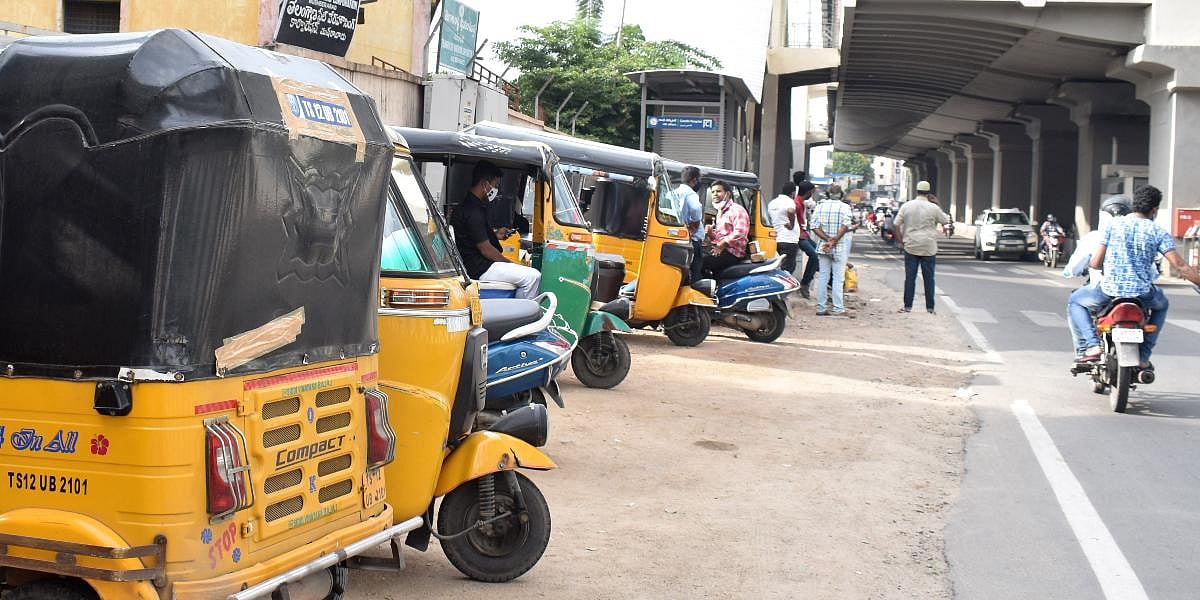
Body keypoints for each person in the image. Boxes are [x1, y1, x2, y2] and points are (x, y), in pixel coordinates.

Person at [1067, 185, 1200, 368]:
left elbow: (1096, 262)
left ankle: (1091, 346)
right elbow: (1181, 266)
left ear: (1134, 205)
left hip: (1110, 290)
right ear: (1154, 210)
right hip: (1143, 293)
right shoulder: (1158, 231)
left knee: (1075, 301)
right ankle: (1144, 357)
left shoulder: (1112, 226)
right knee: (1162, 305)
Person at [449, 160, 541, 299]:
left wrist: (495, 235)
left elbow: (473, 236)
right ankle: (521, 311)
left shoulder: (467, 207)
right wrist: (509, 263)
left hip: (475, 264)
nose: (496, 190)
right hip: (480, 268)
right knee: (533, 277)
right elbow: (486, 249)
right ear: (485, 184)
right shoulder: (473, 211)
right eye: (496, 185)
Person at [1061, 195, 1132, 357]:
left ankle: (1086, 349)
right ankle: (1144, 354)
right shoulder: (1139, 235)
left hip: (1106, 289)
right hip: (1138, 294)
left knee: (1075, 302)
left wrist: (1070, 271)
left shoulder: (1095, 237)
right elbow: (1153, 271)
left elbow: (1076, 266)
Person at [892, 180, 951, 314]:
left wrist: (901, 241)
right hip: (928, 247)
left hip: (911, 245)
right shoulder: (934, 208)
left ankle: (907, 306)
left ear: (917, 191)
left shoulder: (907, 206)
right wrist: (937, 203)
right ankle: (930, 308)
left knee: (910, 278)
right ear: (928, 193)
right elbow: (945, 220)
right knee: (929, 278)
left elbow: (895, 225)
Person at [810, 187, 854, 316]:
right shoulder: (845, 207)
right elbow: (845, 226)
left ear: (828, 194)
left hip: (823, 247)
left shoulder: (820, 206)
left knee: (823, 277)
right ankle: (838, 308)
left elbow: (814, 226)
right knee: (838, 279)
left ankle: (821, 308)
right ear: (841, 194)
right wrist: (834, 240)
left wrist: (827, 240)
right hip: (839, 247)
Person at [703, 180, 750, 277]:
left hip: (732, 253)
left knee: (700, 262)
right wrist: (711, 233)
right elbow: (720, 236)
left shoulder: (737, 210)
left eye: (718, 191)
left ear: (727, 194)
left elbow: (740, 232)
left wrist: (722, 244)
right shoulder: (720, 212)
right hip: (721, 249)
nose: (715, 194)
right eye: (713, 192)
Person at [676, 165, 705, 283]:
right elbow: (696, 208)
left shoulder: (675, 192)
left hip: (679, 238)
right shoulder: (690, 194)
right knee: (695, 273)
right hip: (693, 240)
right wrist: (695, 224)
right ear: (694, 180)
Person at [792, 181, 820, 297]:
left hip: (804, 234)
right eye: (812, 192)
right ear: (808, 192)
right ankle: (805, 283)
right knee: (814, 255)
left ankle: (811, 276)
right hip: (799, 236)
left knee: (818, 253)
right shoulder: (797, 204)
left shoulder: (801, 202)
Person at [768, 181, 801, 275]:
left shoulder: (772, 203)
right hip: (789, 240)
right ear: (793, 193)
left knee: (778, 268)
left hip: (776, 240)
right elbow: (791, 211)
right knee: (787, 270)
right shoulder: (789, 201)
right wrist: (791, 225)